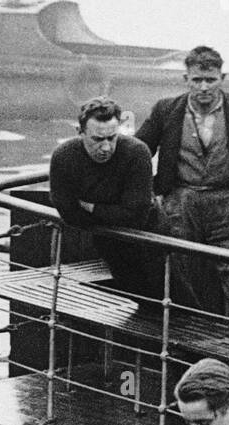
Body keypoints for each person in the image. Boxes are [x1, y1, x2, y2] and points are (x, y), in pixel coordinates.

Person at [135, 45, 229, 317]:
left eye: (211, 80)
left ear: (222, 79)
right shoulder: (167, 109)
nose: (204, 87)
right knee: (181, 263)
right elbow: (139, 151)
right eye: (197, 80)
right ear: (185, 80)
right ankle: (188, 324)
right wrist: (150, 192)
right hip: (182, 197)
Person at [49, 97, 193, 305]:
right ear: (80, 133)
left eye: (112, 138)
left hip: (150, 237)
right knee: (138, 299)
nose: (106, 148)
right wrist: (114, 213)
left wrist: (91, 207)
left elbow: (135, 215)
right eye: (98, 140)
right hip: (109, 242)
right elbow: (68, 211)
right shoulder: (64, 157)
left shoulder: (136, 152)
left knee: (178, 302)